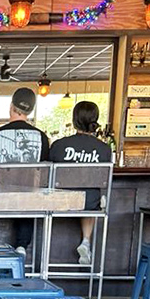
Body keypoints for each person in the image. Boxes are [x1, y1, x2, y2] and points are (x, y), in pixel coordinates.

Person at [0, 87, 50, 256]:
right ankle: (22, 246)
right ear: (30, 111)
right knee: (28, 195)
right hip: (28, 202)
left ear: (11, 106)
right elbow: (43, 177)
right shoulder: (42, 138)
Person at [49, 100, 112, 266]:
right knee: (90, 196)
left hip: (60, 202)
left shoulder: (58, 145)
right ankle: (86, 241)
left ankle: (47, 262)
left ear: (75, 119)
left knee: (80, 195)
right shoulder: (104, 149)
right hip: (89, 203)